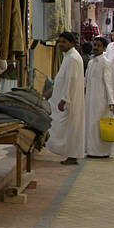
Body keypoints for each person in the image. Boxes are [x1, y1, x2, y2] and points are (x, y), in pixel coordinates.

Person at [46, 30, 85, 165]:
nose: (61, 44)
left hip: (70, 100)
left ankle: (73, 156)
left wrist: (65, 99)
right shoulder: (68, 56)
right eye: (60, 42)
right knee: (66, 127)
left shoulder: (73, 58)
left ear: (72, 43)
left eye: (64, 42)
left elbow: (71, 81)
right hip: (65, 98)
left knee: (71, 128)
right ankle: (70, 154)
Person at [85, 36, 114, 158]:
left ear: (104, 48)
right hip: (90, 99)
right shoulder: (90, 62)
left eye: (98, 45)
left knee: (99, 124)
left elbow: (108, 83)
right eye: (94, 45)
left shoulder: (106, 63)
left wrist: (111, 101)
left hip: (101, 99)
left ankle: (103, 151)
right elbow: (86, 81)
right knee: (91, 124)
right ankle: (91, 150)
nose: (95, 47)